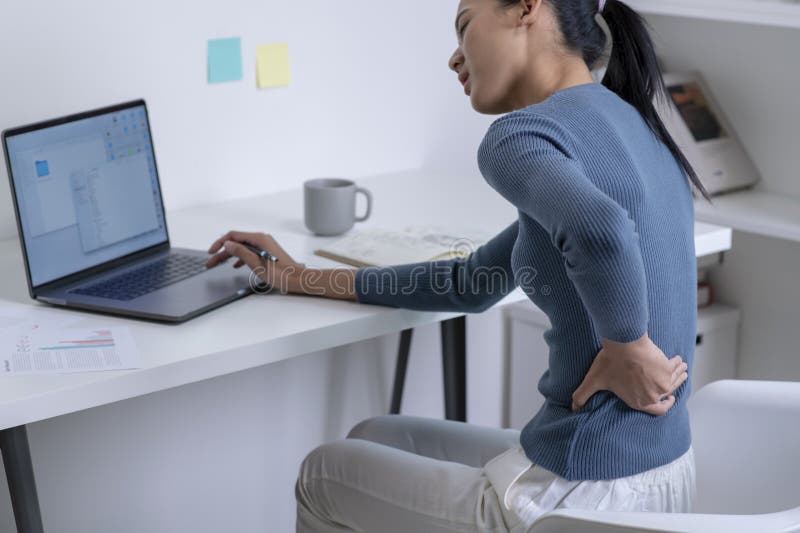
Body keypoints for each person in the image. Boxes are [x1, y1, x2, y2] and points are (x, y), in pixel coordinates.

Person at [206, 0, 711, 530]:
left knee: (322, 475)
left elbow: (600, 230)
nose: (454, 58)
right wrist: (299, 278)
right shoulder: (634, 121)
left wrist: (626, 346)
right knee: (378, 436)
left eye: (465, 26)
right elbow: (470, 283)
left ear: (527, 9)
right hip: (662, 483)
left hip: (580, 493)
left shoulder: (520, 135)